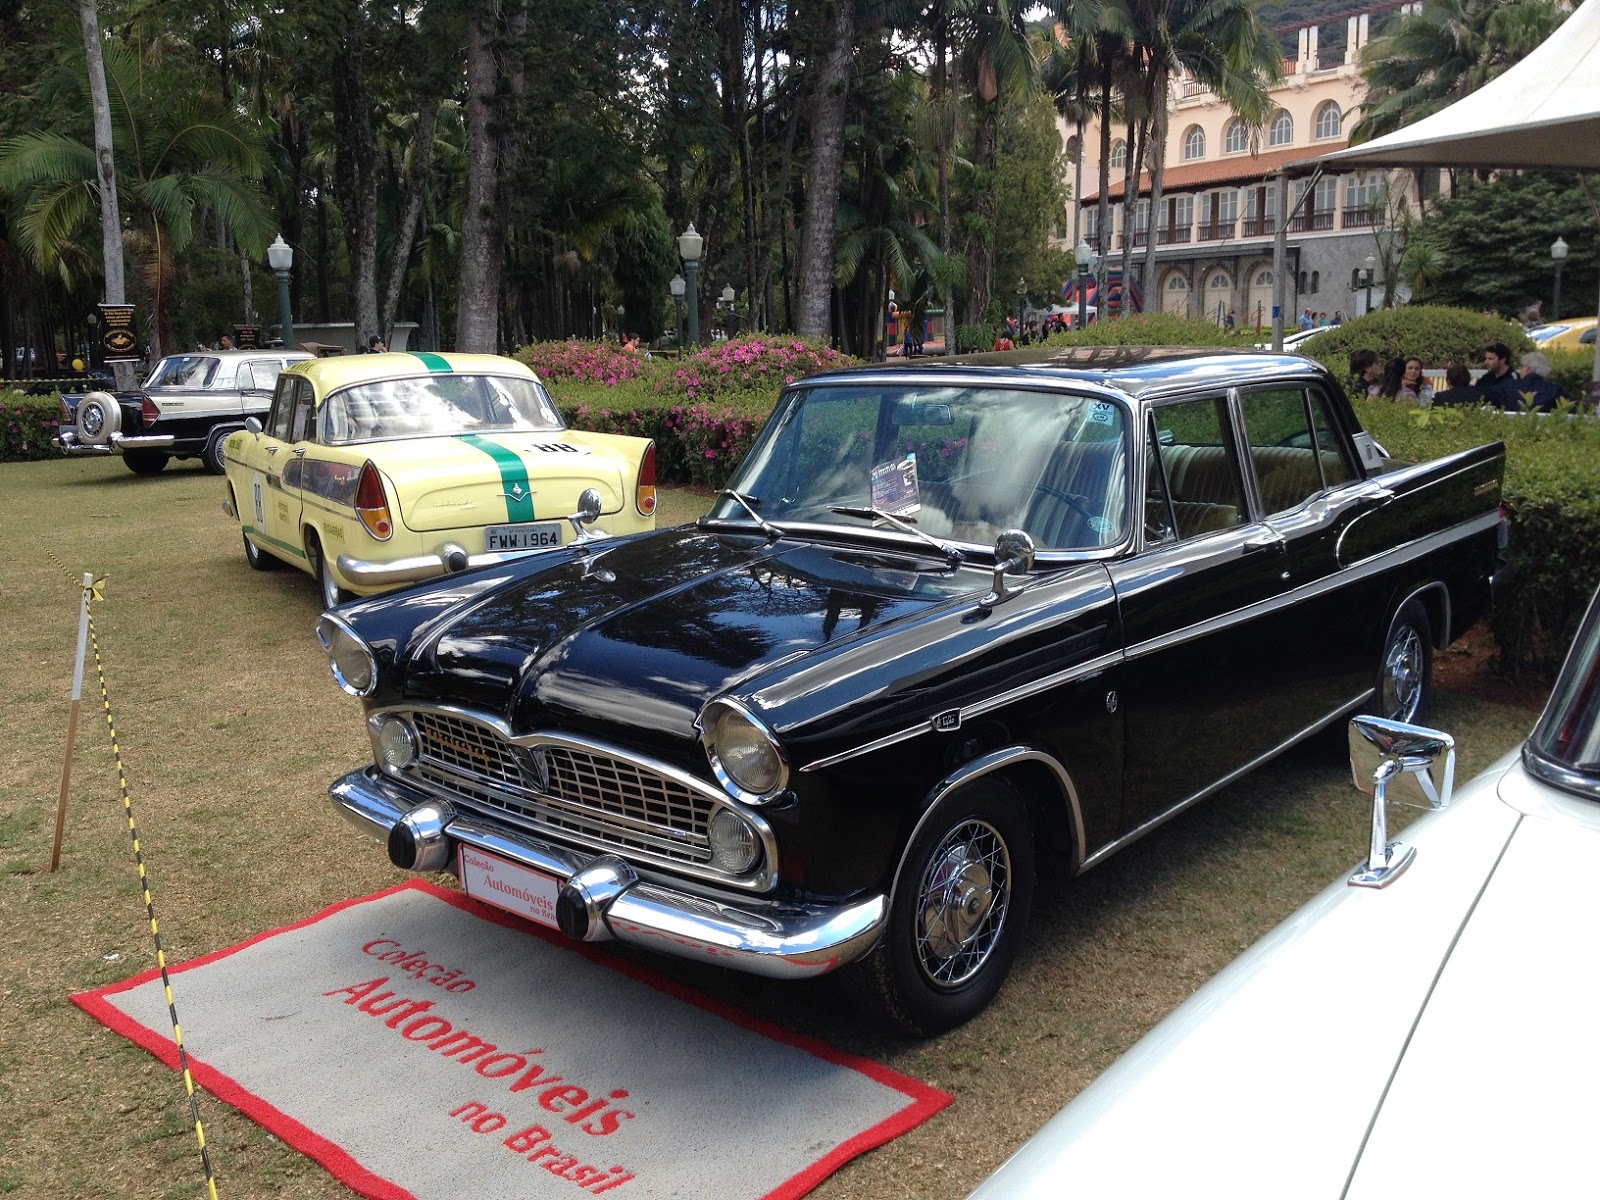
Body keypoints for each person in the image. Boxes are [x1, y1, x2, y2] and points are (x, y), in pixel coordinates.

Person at [1475, 342, 1520, 407]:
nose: (1486, 362)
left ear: (1502, 360)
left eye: (1490, 359)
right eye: (1486, 358)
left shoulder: (1514, 378)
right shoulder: (1486, 378)